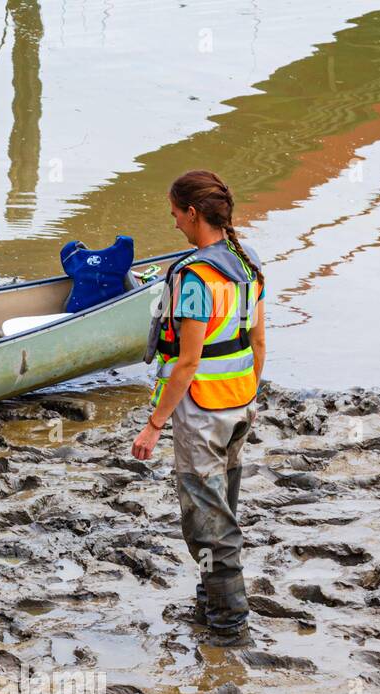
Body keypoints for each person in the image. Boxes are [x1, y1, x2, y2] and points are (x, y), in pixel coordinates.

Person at [133, 170, 268, 642]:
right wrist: (250, 394)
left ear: (193, 214)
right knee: (223, 504)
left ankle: (231, 624)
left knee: (205, 519)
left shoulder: (195, 278)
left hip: (203, 411)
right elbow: (258, 342)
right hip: (240, 404)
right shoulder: (246, 260)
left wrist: (153, 425)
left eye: (175, 215)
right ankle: (211, 602)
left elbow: (187, 362)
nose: (174, 226)